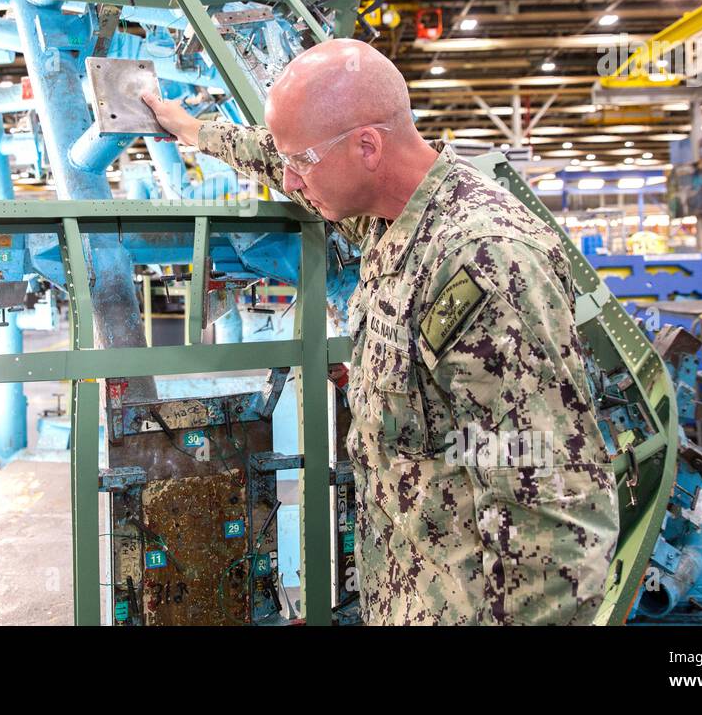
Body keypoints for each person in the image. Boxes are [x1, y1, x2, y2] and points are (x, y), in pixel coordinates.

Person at [142, 37, 620, 625]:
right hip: (409, 588)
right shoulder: (390, 208)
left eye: (302, 164)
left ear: (367, 146)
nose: (290, 181)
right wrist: (189, 130)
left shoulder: (482, 262)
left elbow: (554, 512)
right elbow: (277, 153)